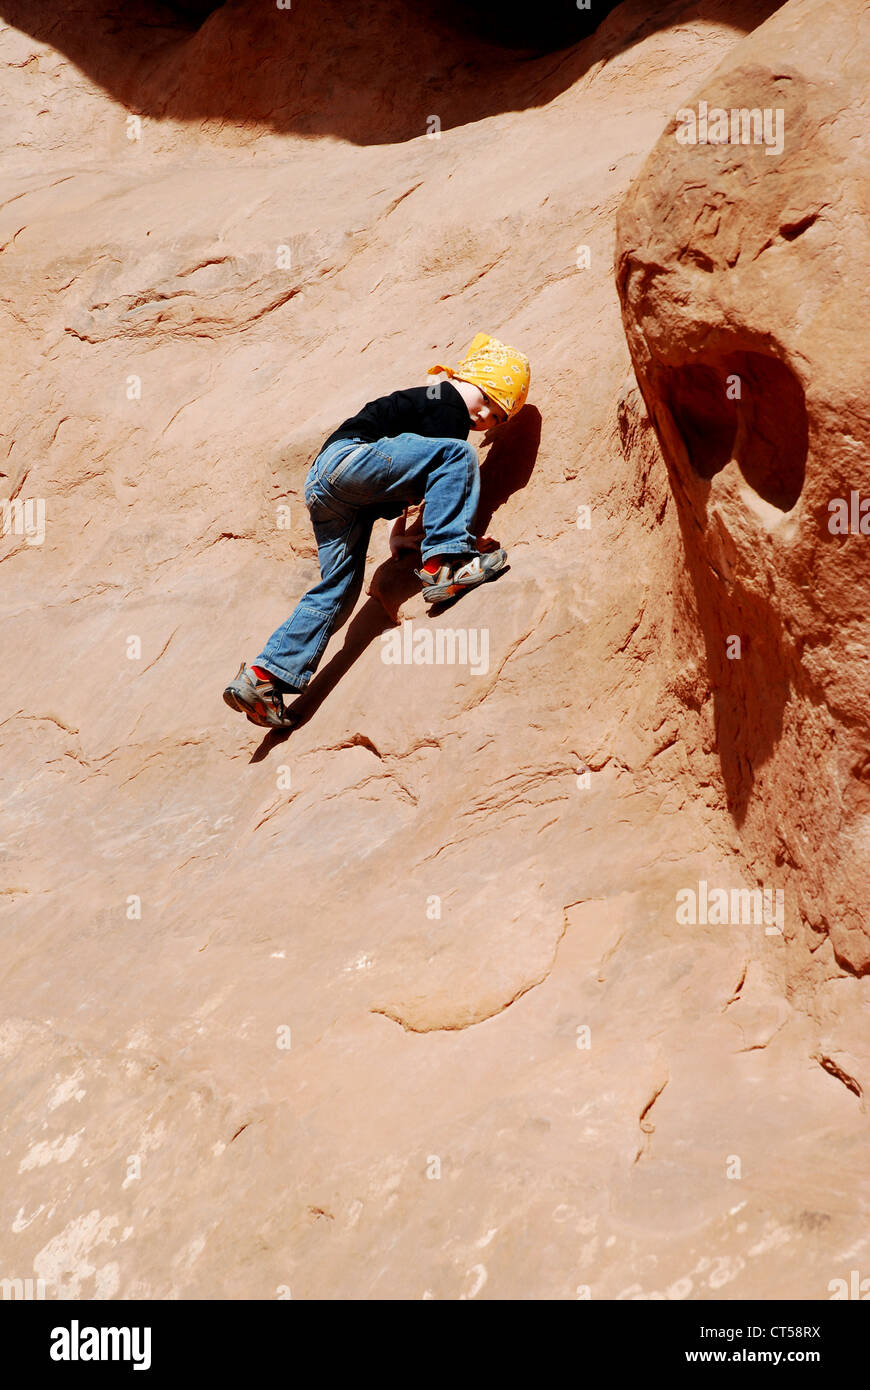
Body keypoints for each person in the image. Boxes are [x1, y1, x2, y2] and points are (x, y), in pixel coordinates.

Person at [223, 331, 531, 727]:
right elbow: (439, 467)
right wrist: (463, 539)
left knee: (337, 591)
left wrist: (397, 534)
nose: (483, 417)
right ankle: (447, 563)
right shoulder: (446, 400)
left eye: (496, 418)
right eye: (487, 400)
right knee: (458, 455)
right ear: (464, 380)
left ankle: (265, 679)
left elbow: (409, 474)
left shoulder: (432, 409)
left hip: (333, 489)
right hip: (350, 460)